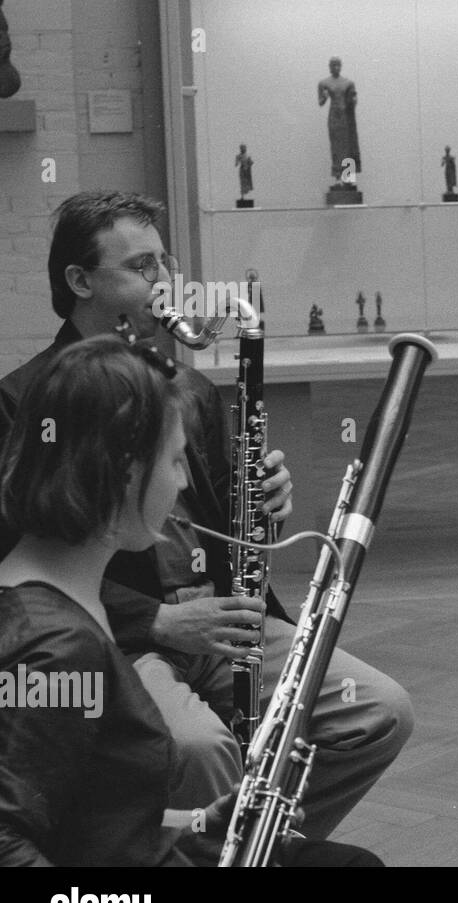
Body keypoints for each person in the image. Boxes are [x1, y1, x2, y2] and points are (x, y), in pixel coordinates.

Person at [0, 190, 413, 841]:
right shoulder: (26, 400)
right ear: (80, 280)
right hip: (128, 636)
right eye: (141, 267)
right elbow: (19, 569)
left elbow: (228, 526)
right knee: (200, 748)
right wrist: (161, 619)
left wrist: (266, 510)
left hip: (226, 618)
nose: (165, 285)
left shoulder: (187, 388)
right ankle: (200, 848)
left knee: (380, 712)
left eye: (165, 265)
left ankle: (254, 844)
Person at [0, 336, 380, 866]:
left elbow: (83, 821)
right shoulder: (56, 645)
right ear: (125, 470)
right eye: (176, 461)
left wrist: (204, 822)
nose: (183, 480)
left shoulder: (52, 603)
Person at [317, 57, 361, 183]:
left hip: (346, 117)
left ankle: (348, 178)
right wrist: (325, 97)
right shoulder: (324, 83)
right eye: (333, 65)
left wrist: (353, 100)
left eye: (338, 65)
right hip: (334, 117)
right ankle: (337, 177)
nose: (336, 67)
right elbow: (320, 102)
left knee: (348, 146)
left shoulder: (348, 83)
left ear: (341, 66)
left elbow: (353, 99)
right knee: (336, 147)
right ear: (330, 67)